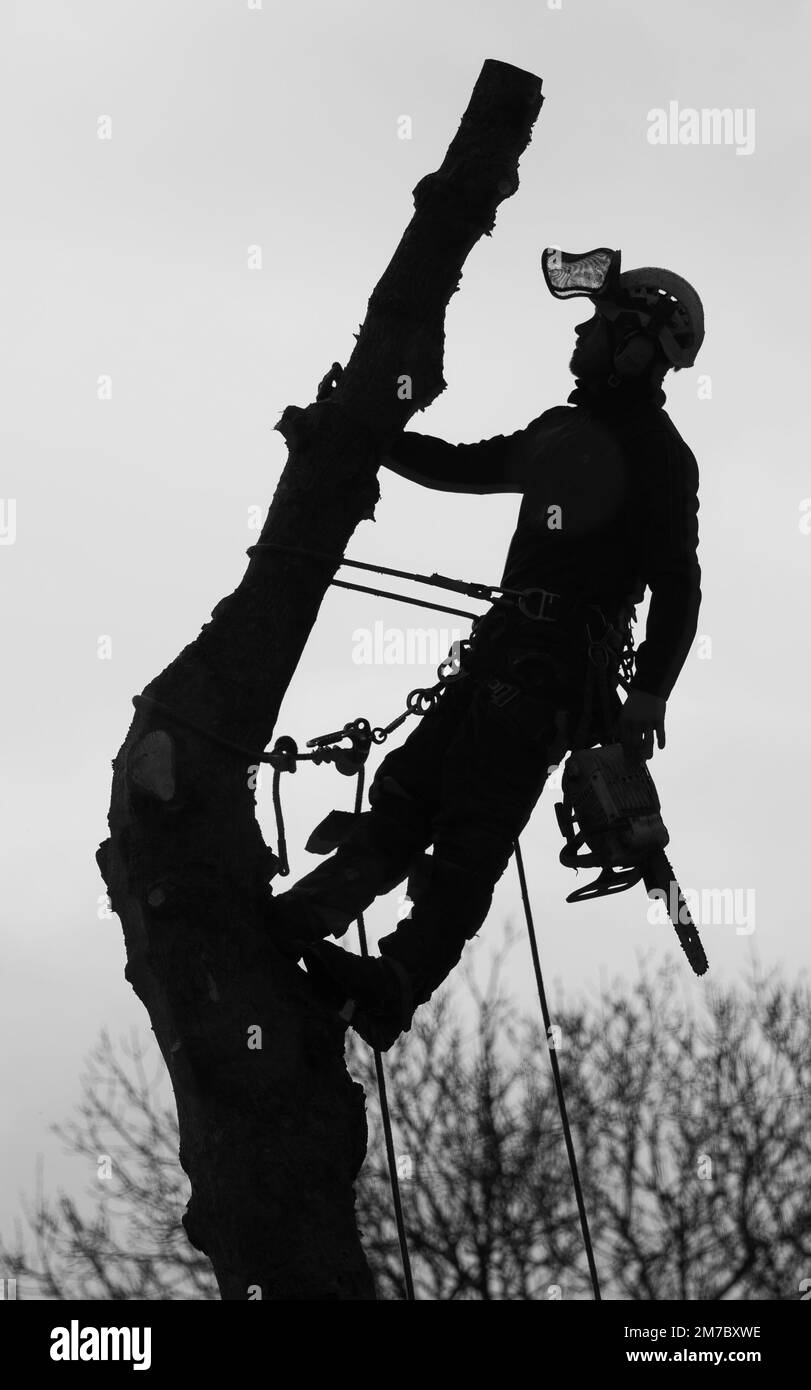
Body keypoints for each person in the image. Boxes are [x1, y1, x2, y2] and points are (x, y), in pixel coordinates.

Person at [270, 247, 704, 1049]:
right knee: (406, 792)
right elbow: (461, 466)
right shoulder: (560, 431)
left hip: (556, 669)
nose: (578, 340)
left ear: (637, 347)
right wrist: (366, 433)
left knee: (473, 823)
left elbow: (678, 582)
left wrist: (648, 693)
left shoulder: (657, 456)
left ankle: (397, 981)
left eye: (597, 327)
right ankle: (301, 919)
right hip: (505, 650)